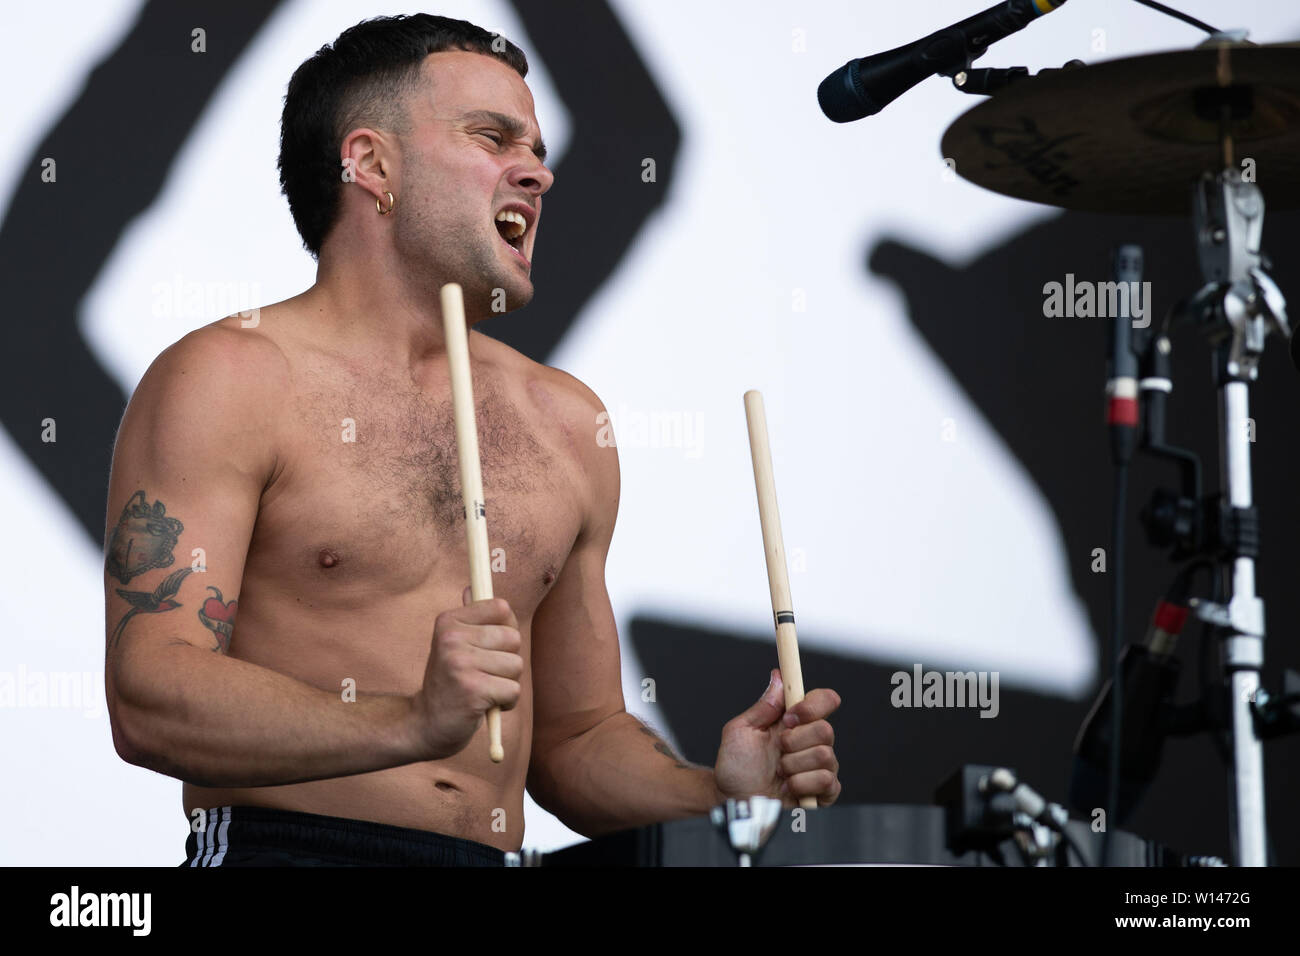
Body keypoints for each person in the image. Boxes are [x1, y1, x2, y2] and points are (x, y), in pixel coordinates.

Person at [103, 13, 841, 867]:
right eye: (493, 137)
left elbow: (573, 739)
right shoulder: (228, 377)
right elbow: (151, 693)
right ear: (372, 164)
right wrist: (411, 722)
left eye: (535, 145)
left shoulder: (565, 420)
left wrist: (718, 797)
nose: (538, 171)